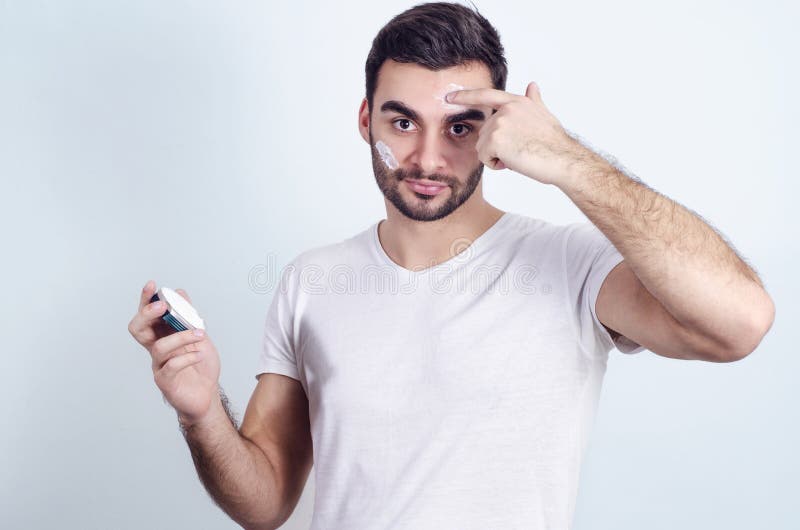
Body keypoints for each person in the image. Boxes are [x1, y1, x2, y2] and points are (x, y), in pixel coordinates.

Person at [128, 2, 775, 529]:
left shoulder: (571, 265)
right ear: (364, 118)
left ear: (496, 126)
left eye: (460, 127)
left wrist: (567, 159)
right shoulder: (310, 281)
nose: (429, 158)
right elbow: (265, 504)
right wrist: (200, 412)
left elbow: (739, 323)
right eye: (403, 121)